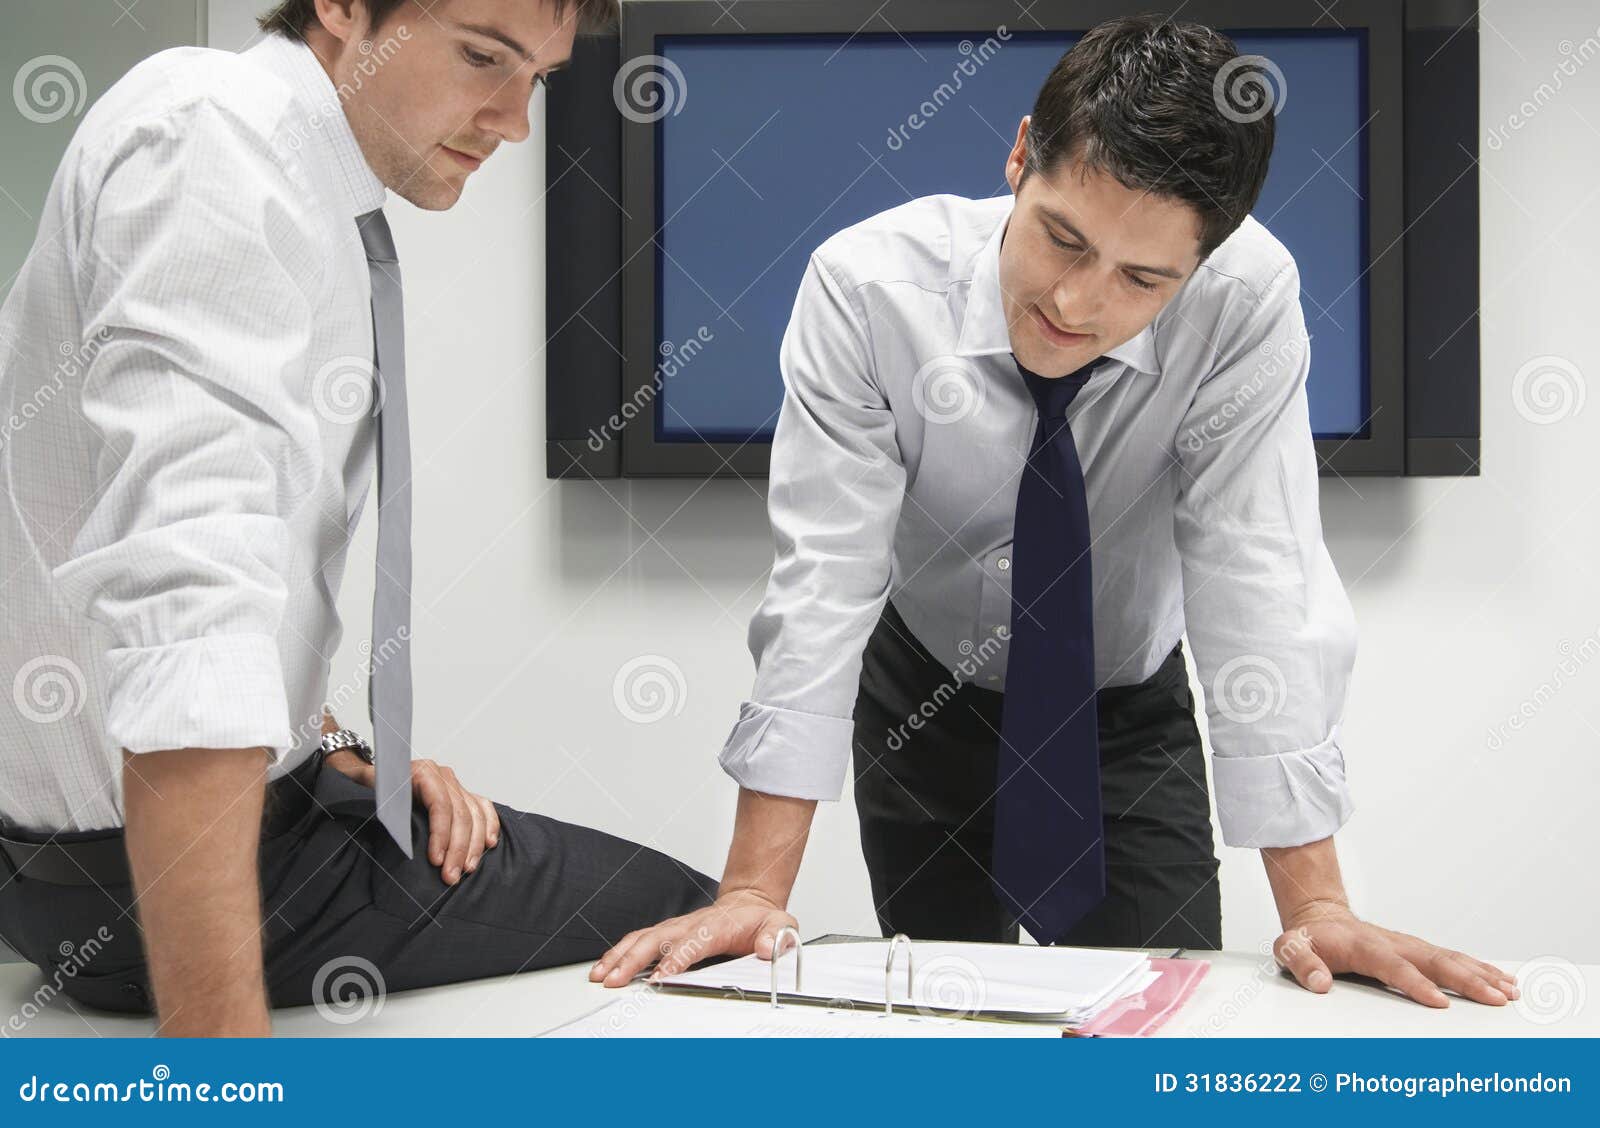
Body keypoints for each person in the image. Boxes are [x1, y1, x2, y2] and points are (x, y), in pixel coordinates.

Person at [594, 16, 1519, 1010]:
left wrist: (1319, 904)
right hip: (923, 694)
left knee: (1155, 1015)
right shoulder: (867, 290)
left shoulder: (1245, 303)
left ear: (1202, 264)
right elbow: (825, 582)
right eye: (1061, 239)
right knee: (942, 1022)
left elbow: (1255, 574)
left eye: (1141, 279)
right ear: (1021, 152)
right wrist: (750, 891)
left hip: (1123, 707)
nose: (1075, 303)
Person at [0, 0, 712, 1037]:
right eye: (483, 57)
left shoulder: (290, 176)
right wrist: (223, 1088)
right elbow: (188, 623)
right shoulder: (214, 147)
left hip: (138, 854)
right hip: (144, 888)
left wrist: (324, 741)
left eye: (541, 79)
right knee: (694, 917)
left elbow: (216, 553)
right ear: (339, 6)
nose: (514, 120)